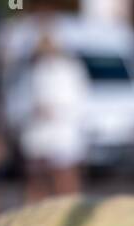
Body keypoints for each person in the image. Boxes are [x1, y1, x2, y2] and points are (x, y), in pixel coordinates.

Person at [19, 30, 89, 201]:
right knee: (37, 184)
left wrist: (57, 111)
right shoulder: (29, 73)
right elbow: (18, 102)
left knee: (64, 182)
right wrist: (33, 110)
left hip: (62, 135)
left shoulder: (69, 71)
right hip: (37, 136)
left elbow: (80, 102)